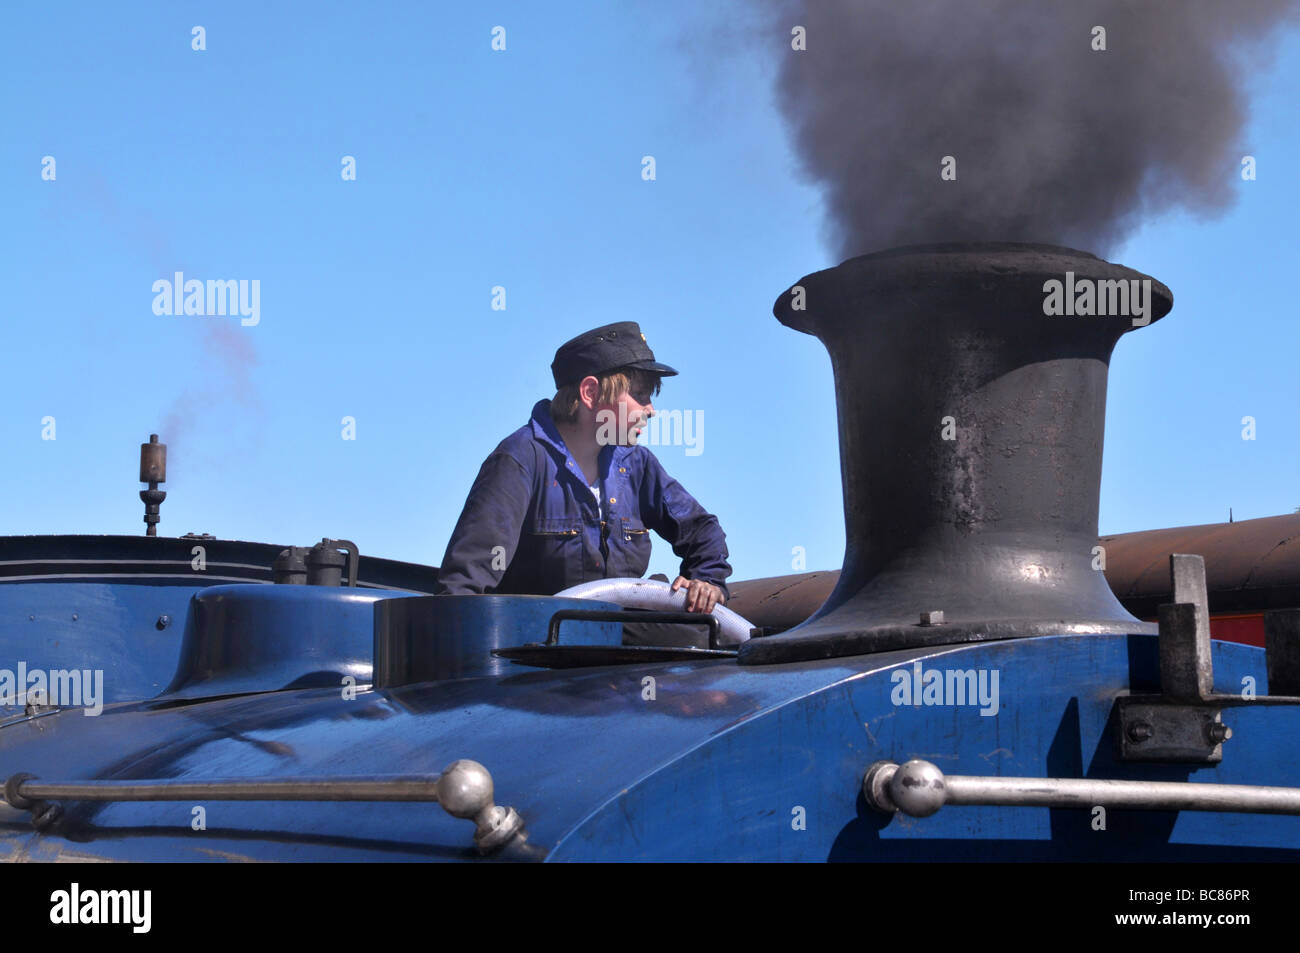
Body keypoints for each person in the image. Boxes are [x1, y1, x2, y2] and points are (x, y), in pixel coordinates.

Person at [434, 321, 731, 623]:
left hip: (618, 649)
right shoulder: (520, 461)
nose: (651, 410)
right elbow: (464, 589)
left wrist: (706, 581)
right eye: (640, 394)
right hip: (540, 656)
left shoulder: (638, 466)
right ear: (590, 393)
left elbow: (702, 531)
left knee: (688, 634)